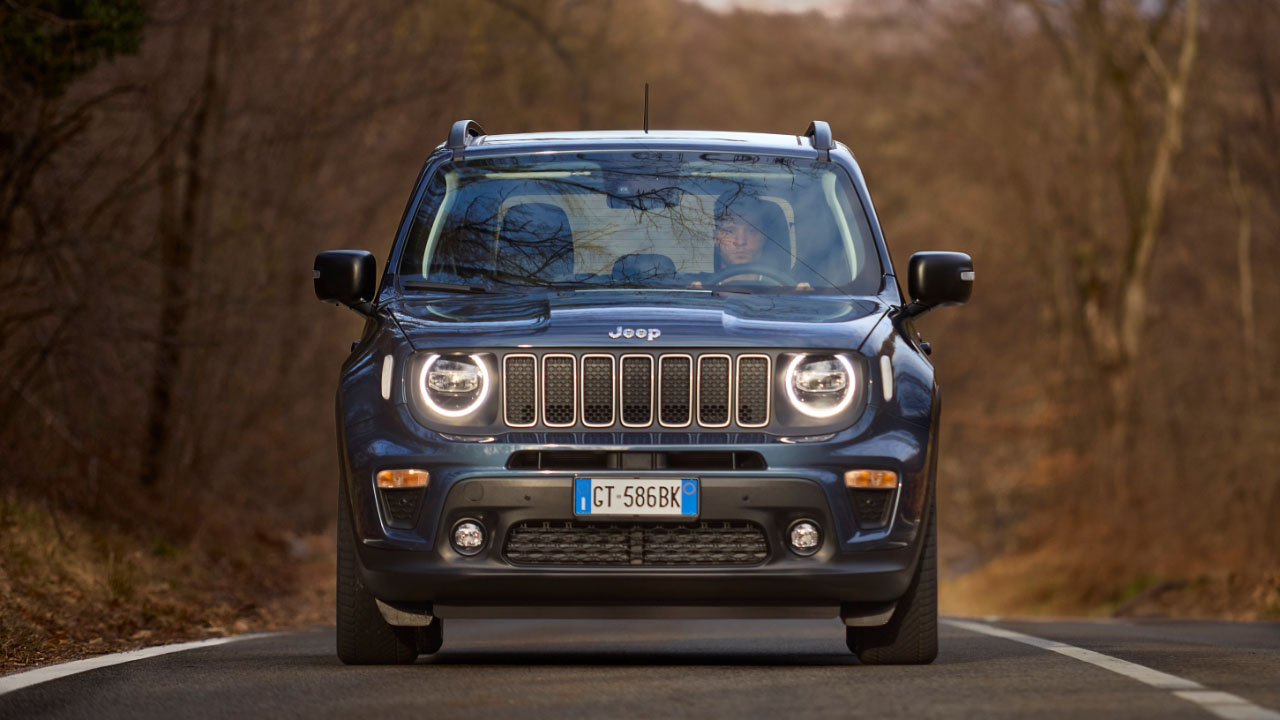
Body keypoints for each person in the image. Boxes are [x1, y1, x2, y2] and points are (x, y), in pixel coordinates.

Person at [688, 194, 811, 290]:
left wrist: (800, 301)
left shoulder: (788, 289)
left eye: (752, 231)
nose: (740, 241)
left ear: (764, 236)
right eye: (730, 231)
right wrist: (692, 300)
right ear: (715, 238)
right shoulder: (695, 288)